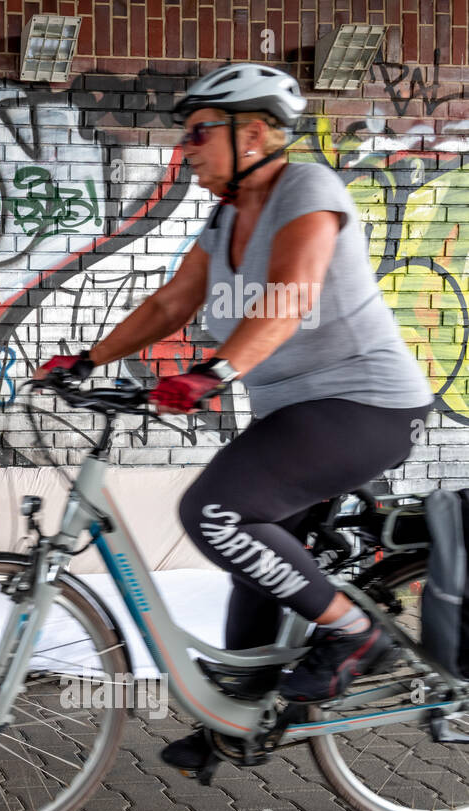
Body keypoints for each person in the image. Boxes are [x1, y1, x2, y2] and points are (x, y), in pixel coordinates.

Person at [36, 63, 434, 773]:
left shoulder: (308, 189)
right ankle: (237, 716)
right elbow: (169, 305)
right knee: (256, 558)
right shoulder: (224, 217)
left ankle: (357, 636)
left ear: (252, 133)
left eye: (196, 133)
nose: (183, 149)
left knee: (216, 511)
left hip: (364, 404)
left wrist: (213, 372)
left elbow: (290, 294)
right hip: (298, 412)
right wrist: (88, 360)